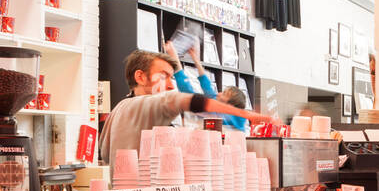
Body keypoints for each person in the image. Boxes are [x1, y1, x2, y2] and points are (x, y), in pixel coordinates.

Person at [100, 48, 276, 164]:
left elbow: (105, 154)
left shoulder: (118, 109)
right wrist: (247, 115)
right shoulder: (152, 102)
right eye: (163, 76)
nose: (170, 85)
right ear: (140, 77)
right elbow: (190, 100)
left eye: (171, 77)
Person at [165, 41, 249, 133]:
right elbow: (208, 87)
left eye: (224, 94)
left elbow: (186, 89)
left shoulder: (217, 113)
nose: (219, 93)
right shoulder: (233, 114)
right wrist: (196, 60)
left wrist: (173, 56)